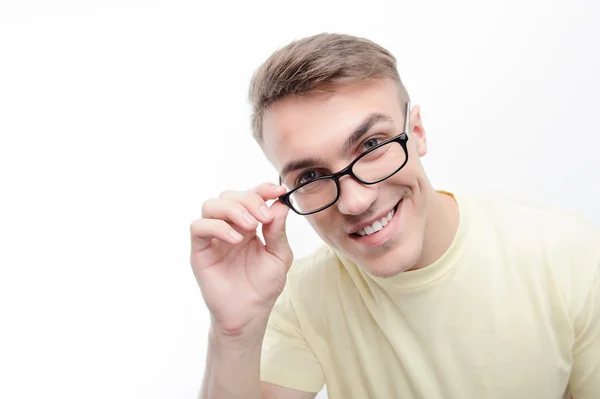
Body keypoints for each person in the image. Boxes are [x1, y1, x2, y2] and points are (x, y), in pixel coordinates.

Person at [189, 33, 600, 399]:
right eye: (311, 175)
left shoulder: (568, 256)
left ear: (417, 132)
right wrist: (234, 334)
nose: (354, 201)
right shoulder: (300, 297)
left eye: (371, 145)